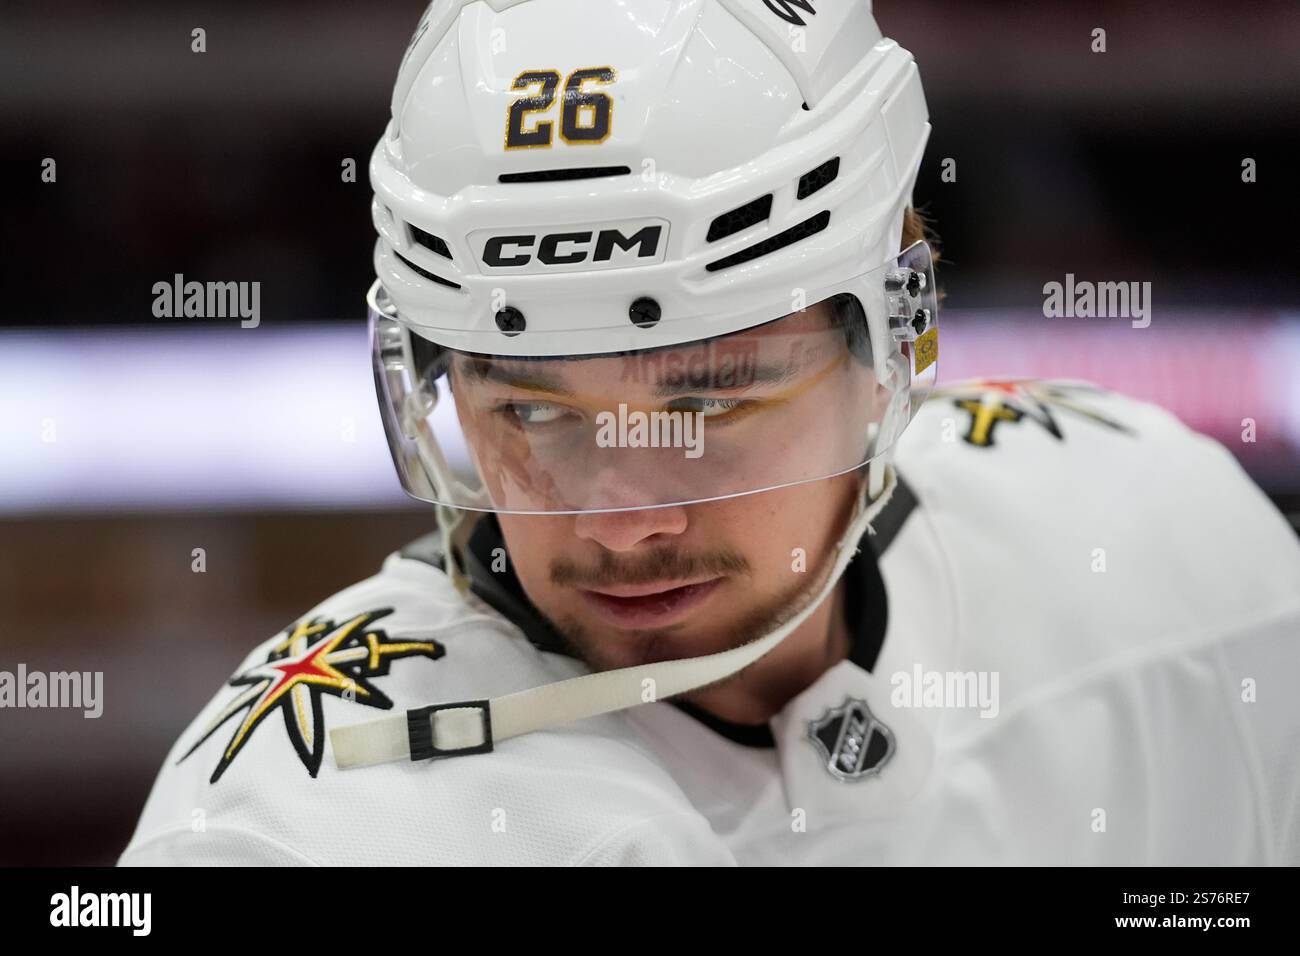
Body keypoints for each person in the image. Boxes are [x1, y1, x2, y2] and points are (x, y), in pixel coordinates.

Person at [120, 0, 1300, 865]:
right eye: (531, 409)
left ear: (901, 332)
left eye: (707, 401)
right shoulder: (295, 822)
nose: (621, 518)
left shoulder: (1173, 559)